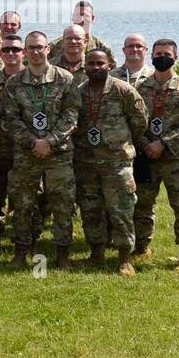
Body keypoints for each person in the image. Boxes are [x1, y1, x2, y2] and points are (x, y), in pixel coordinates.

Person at [1, 31, 80, 269]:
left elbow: (72, 114)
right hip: (27, 154)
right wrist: (32, 142)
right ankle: (21, 252)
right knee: (23, 204)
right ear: (25, 52)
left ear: (48, 50)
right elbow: (10, 118)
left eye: (40, 47)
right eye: (31, 48)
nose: (35, 52)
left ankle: (63, 255)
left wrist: (50, 141)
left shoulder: (65, 79)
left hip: (59, 153)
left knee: (62, 204)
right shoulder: (14, 83)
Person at [73, 49, 148, 275]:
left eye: (100, 63)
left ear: (109, 65)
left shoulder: (123, 90)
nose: (96, 67)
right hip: (87, 162)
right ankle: (96, 254)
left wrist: (121, 144)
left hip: (117, 163)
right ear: (85, 67)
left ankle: (125, 258)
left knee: (121, 210)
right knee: (90, 209)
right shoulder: (78, 93)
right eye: (91, 63)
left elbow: (139, 123)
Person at [133, 39, 179, 271]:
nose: (161, 57)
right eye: (158, 53)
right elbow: (133, 122)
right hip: (146, 158)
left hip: (176, 159)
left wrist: (163, 143)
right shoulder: (141, 88)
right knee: (142, 205)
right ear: (151, 56)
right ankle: (142, 248)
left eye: (166, 53)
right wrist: (146, 144)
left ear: (176, 56)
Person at [0, 33, 26, 253]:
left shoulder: (33, 81)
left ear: (24, 53)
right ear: (1, 54)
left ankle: (24, 244)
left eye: (16, 50)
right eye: (7, 50)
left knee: (26, 202)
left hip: (26, 153)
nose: (11, 54)